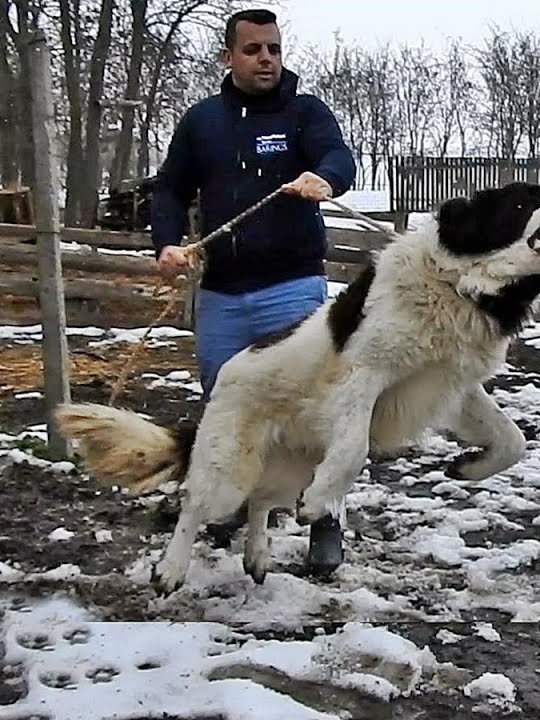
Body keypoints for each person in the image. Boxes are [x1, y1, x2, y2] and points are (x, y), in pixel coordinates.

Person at [149, 7, 357, 575]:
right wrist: (166, 243)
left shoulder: (304, 113)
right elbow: (170, 189)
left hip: (292, 287)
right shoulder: (202, 122)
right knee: (225, 402)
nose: (266, 59)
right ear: (228, 56)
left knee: (312, 408)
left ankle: (325, 518)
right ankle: (234, 498)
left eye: (273, 49)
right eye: (253, 50)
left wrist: (326, 178)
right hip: (221, 293)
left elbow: (338, 157)